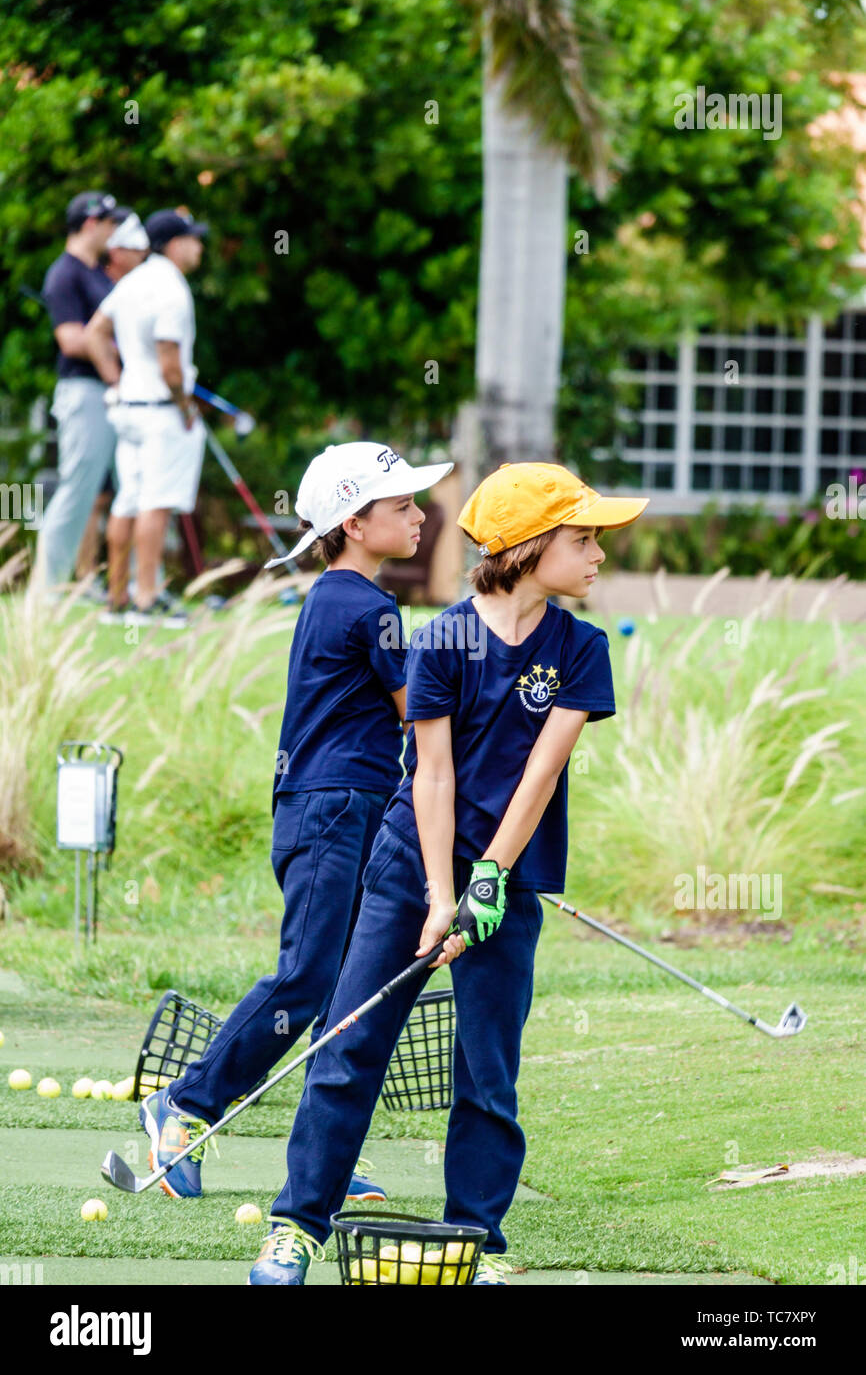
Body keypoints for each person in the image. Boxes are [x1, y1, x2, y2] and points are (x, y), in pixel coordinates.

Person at [246, 462, 649, 1286]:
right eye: (583, 538)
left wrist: (489, 882)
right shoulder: (438, 640)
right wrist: (439, 894)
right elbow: (431, 775)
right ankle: (296, 1227)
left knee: (487, 1065)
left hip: (509, 877)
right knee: (352, 1040)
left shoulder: (581, 649)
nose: (599, 554)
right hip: (409, 865)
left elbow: (540, 775)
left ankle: (473, 1241)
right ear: (530, 548)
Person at [136, 440, 454, 1202]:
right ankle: (185, 1104)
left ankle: (323, 1165)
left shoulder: (346, 599)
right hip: (331, 809)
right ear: (352, 521)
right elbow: (419, 711)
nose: (420, 516)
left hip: (346, 807)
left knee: (344, 990)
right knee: (308, 979)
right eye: (402, 505)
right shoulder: (366, 606)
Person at [84, 208, 208, 625]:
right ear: (174, 244)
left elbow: (94, 331)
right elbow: (170, 360)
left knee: (128, 501)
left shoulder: (133, 280)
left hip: (128, 409)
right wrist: (184, 404)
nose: (199, 246)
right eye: (193, 239)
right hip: (160, 411)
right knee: (155, 504)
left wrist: (115, 380)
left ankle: (117, 599)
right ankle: (147, 598)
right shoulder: (171, 288)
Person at [33, 191, 119, 591]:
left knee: (113, 492)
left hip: (109, 394)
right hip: (83, 392)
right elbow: (70, 340)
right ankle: (46, 588)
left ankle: (105, 586)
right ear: (90, 223)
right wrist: (119, 349)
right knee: (77, 489)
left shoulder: (99, 273)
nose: (113, 231)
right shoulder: (63, 273)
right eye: (108, 223)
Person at [75, 211, 151, 586]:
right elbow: (85, 337)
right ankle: (88, 580)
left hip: (123, 401)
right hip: (105, 397)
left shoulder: (128, 284)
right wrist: (119, 377)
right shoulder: (81, 276)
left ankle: (126, 589)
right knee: (98, 494)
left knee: (124, 495)